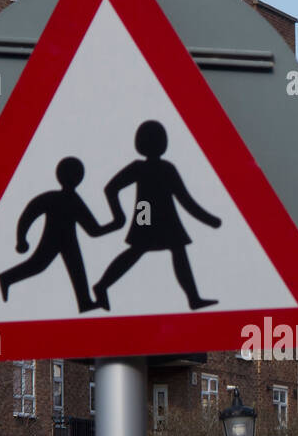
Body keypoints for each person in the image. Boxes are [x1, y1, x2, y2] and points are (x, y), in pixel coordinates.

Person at [91, 120, 223, 311]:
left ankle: (193, 298)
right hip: (148, 213)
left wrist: (208, 219)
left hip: (159, 214)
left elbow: (185, 199)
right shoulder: (152, 168)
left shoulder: (159, 168)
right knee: (141, 250)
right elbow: (111, 189)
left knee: (173, 251)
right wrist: (120, 215)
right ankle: (102, 285)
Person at [0, 157, 117, 311]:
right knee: (38, 265)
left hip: (68, 241)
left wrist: (115, 225)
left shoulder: (68, 199)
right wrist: (21, 239)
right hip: (54, 240)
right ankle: (6, 278)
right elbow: (30, 213)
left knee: (76, 269)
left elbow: (93, 230)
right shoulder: (62, 198)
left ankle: (84, 301)